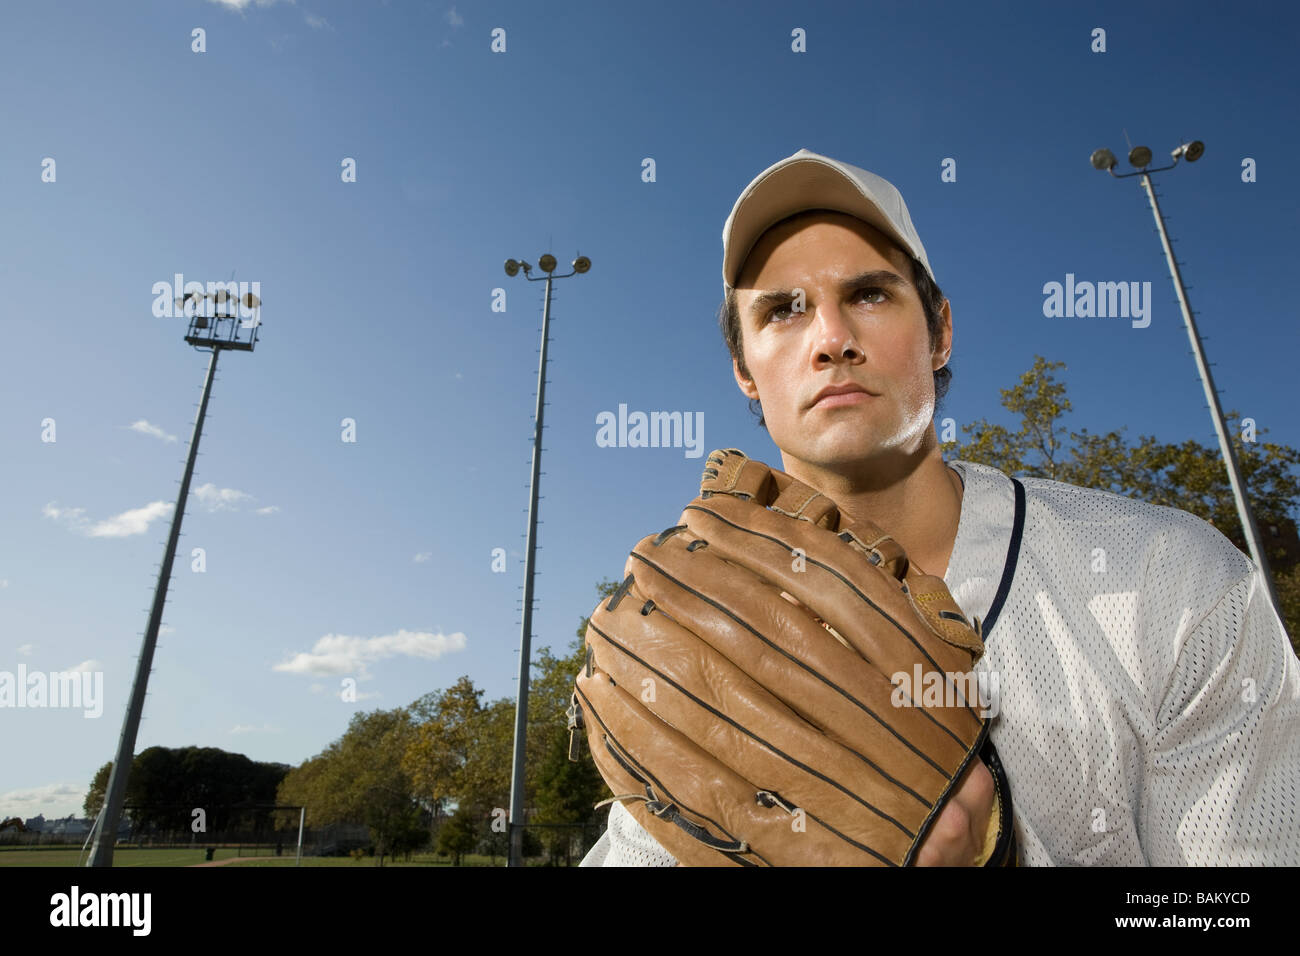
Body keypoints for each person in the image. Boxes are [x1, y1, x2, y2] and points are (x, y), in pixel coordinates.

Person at [579, 147, 1299, 867]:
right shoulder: (686, 649)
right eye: (783, 311)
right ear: (745, 371)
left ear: (941, 331)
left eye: (869, 295)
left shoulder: (1172, 583)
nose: (832, 340)